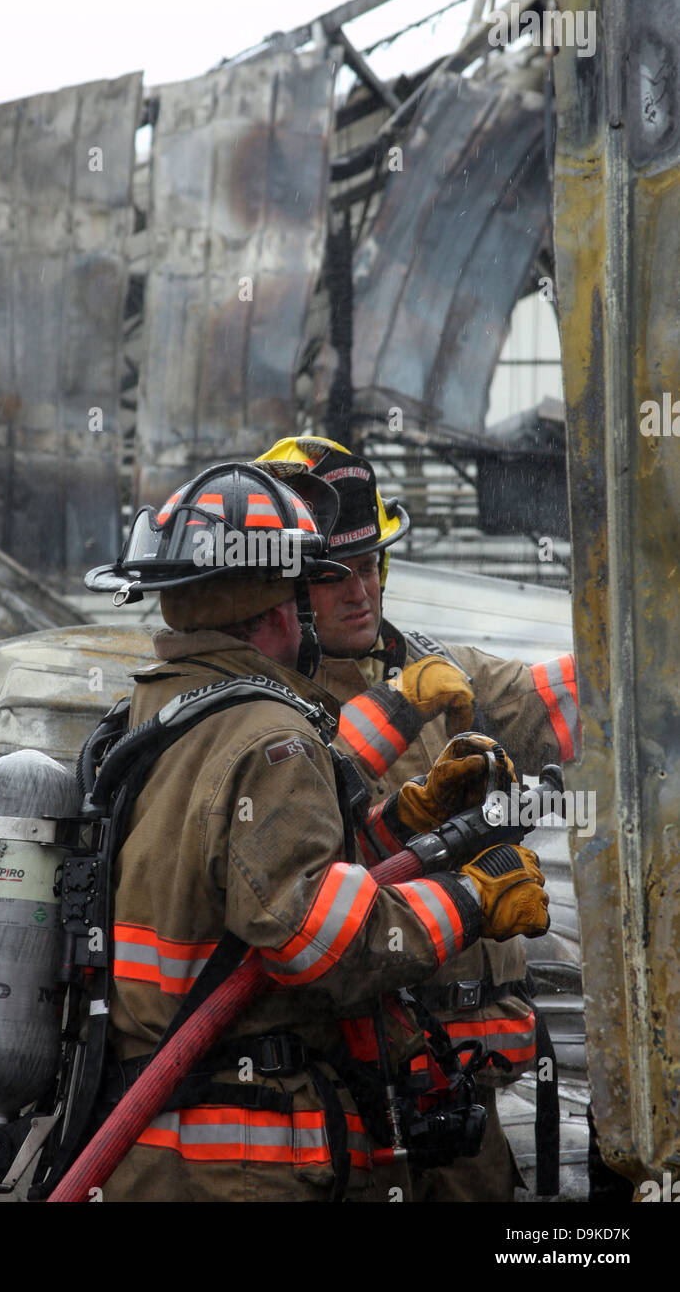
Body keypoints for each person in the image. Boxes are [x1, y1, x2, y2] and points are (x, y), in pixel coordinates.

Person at [82, 460, 549, 1202]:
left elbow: (247, 891)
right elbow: (317, 942)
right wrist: (470, 899)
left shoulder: (151, 717)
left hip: (156, 1155)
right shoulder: (270, 737)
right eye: (311, 594)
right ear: (276, 614)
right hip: (243, 1167)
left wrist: (406, 821)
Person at [255, 435, 580, 1201]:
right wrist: (394, 712)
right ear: (281, 589)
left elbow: (559, 697)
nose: (360, 591)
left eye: (371, 566)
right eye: (333, 576)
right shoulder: (261, 717)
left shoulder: (434, 669)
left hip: (458, 1104)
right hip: (347, 1101)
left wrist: (647, 654)